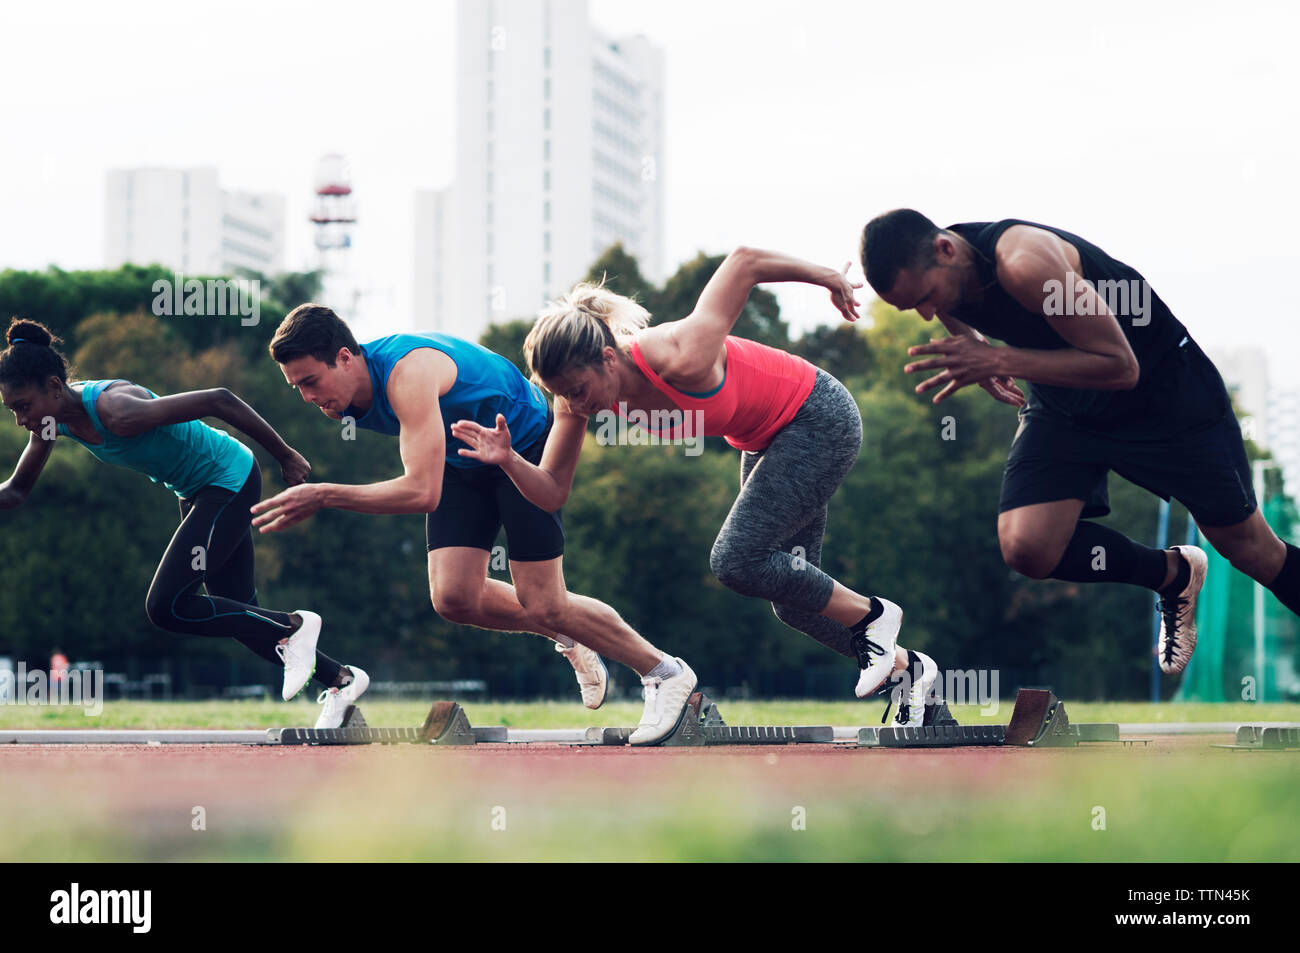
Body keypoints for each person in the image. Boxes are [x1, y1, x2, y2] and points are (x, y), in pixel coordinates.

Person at [452, 248, 939, 725]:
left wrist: (827, 276)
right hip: (767, 440)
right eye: (561, 395)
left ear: (607, 358)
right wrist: (511, 460)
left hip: (817, 417)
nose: (574, 406)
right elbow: (552, 492)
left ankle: (874, 615)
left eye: (578, 391)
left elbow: (745, 262)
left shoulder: (678, 354)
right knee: (793, 601)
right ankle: (909, 674)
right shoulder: (573, 402)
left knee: (736, 559)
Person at [860, 210, 1300, 673]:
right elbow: (957, 314)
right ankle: (1172, 575)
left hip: (1164, 396)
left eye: (928, 297)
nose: (929, 313)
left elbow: (1120, 366)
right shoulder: (943, 271)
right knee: (1027, 547)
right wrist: (976, 352)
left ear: (946, 249)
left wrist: (996, 358)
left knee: (1251, 550)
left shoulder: (1026, 264)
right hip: (1066, 403)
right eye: (915, 308)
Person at [255, 305, 697, 744]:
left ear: (347, 357)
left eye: (311, 381)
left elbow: (421, 493)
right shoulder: (342, 402)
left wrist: (324, 494)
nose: (309, 398)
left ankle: (664, 671)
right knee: (454, 598)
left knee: (544, 601)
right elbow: (427, 469)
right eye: (297, 388)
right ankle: (569, 634)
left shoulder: (407, 375)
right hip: (461, 459)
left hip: (520, 445)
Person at [0, 319, 368, 727]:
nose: (20, 420)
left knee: (168, 605)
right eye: (12, 409)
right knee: (241, 617)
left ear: (54, 386)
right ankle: (342, 680)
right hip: (195, 492)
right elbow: (16, 491)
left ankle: (295, 624)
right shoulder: (52, 421)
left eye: (23, 406)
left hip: (228, 479)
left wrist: (284, 455)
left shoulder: (116, 410)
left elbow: (219, 399)